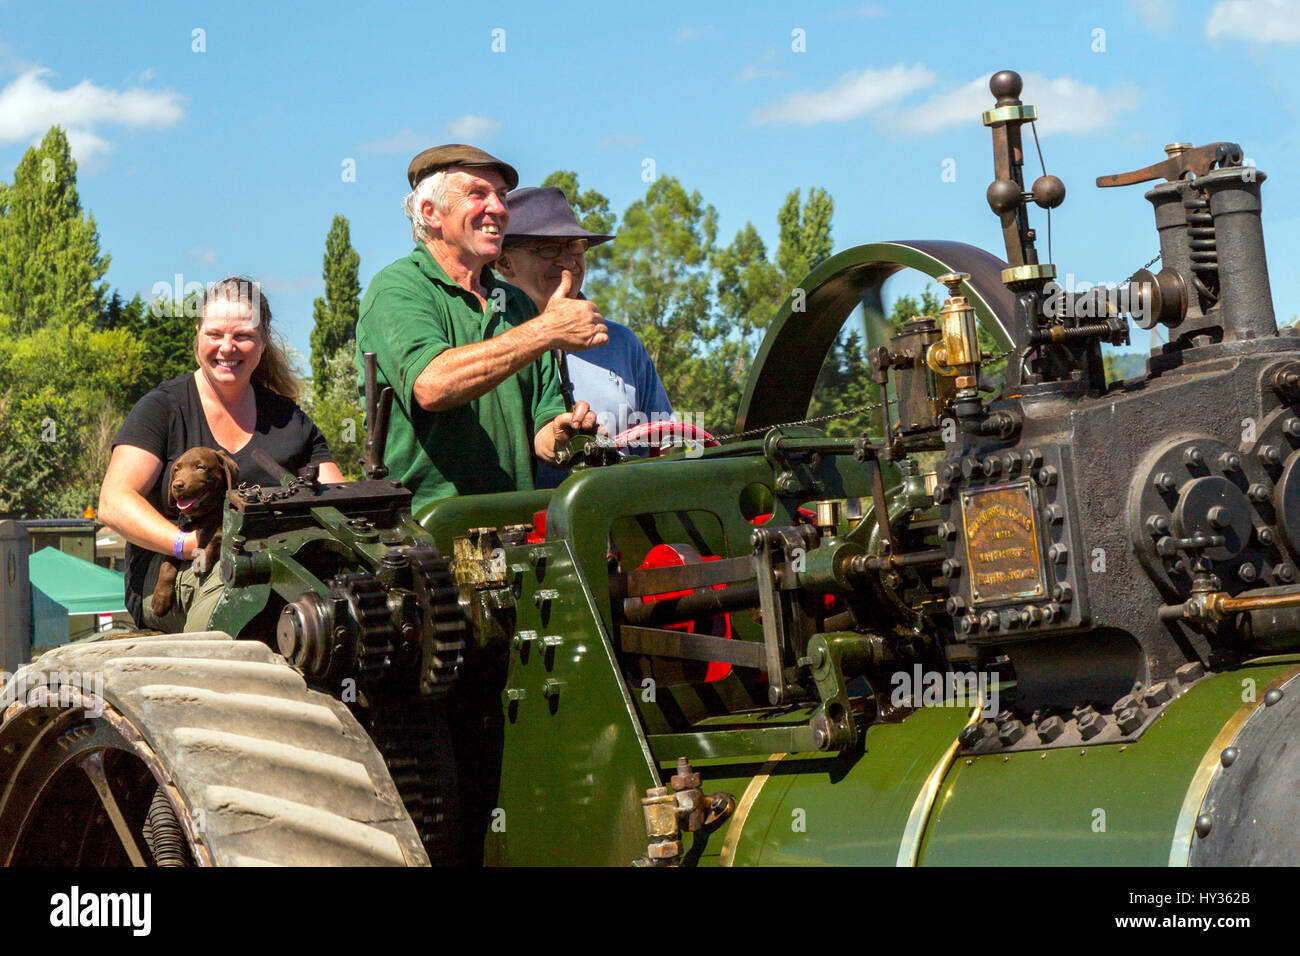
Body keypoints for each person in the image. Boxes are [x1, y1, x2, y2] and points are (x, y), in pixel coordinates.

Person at [355, 145, 605, 514]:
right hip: (423, 532)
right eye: (478, 193)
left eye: (502, 196)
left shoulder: (515, 302)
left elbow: (542, 428)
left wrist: (562, 435)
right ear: (430, 212)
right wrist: (546, 330)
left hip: (516, 525)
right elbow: (432, 385)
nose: (500, 209)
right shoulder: (397, 289)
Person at [99, 277, 345, 632]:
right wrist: (186, 544)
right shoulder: (163, 408)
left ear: (262, 344)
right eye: (215, 334)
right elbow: (113, 502)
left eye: (242, 336)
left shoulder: (289, 419)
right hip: (181, 573)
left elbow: (339, 501)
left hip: (275, 567)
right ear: (198, 334)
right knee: (240, 592)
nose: (227, 347)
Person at [494, 186, 675, 488]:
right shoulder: (487, 346)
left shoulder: (620, 343)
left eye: (575, 246)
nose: (568, 262)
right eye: (548, 249)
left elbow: (662, 440)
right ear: (503, 263)